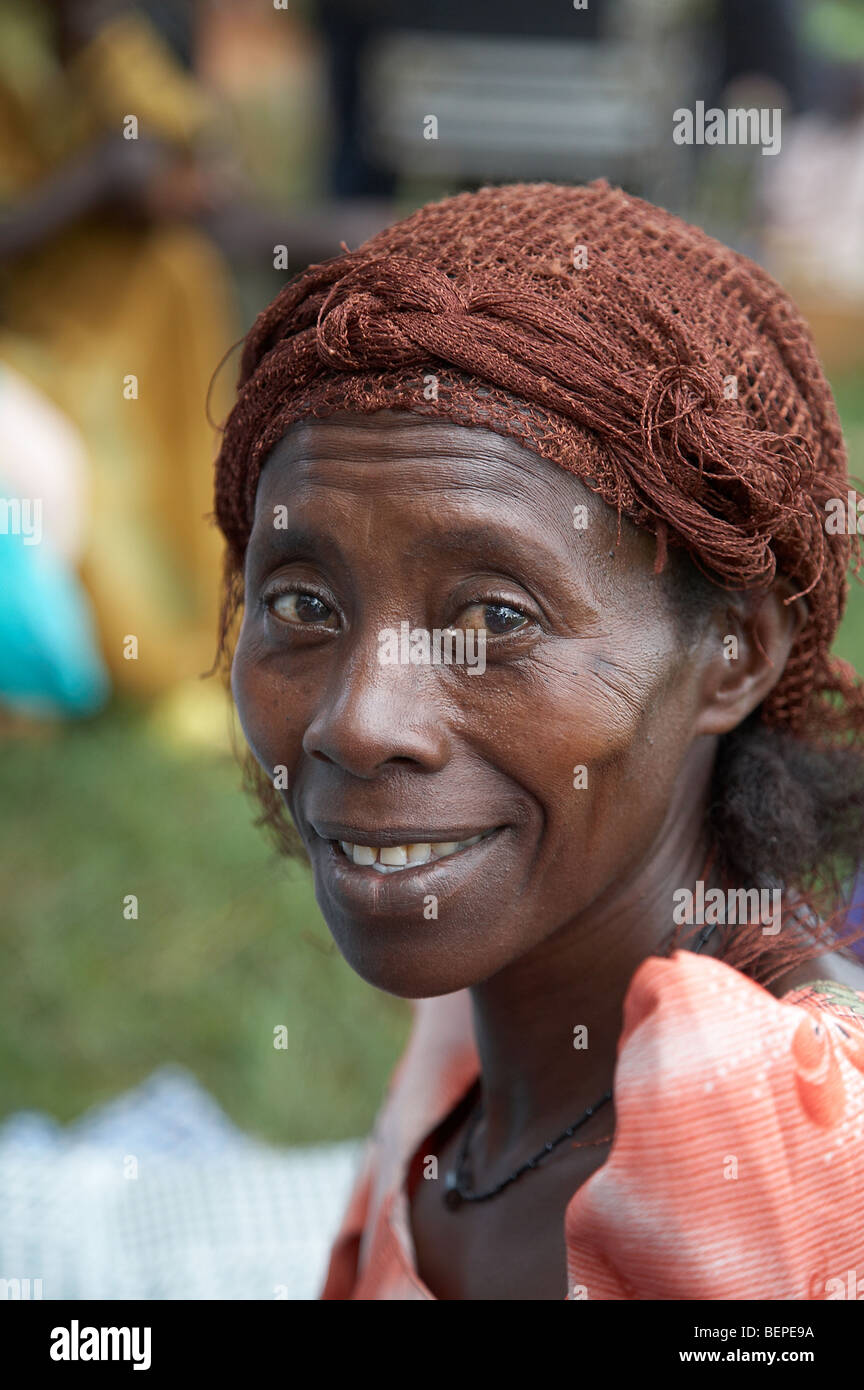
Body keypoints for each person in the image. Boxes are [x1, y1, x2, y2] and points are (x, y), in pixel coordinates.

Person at [213, 179, 864, 1300]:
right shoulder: (477, 1040)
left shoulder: (773, 1148)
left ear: (736, 654)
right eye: (305, 605)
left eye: (495, 619)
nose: (359, 721)